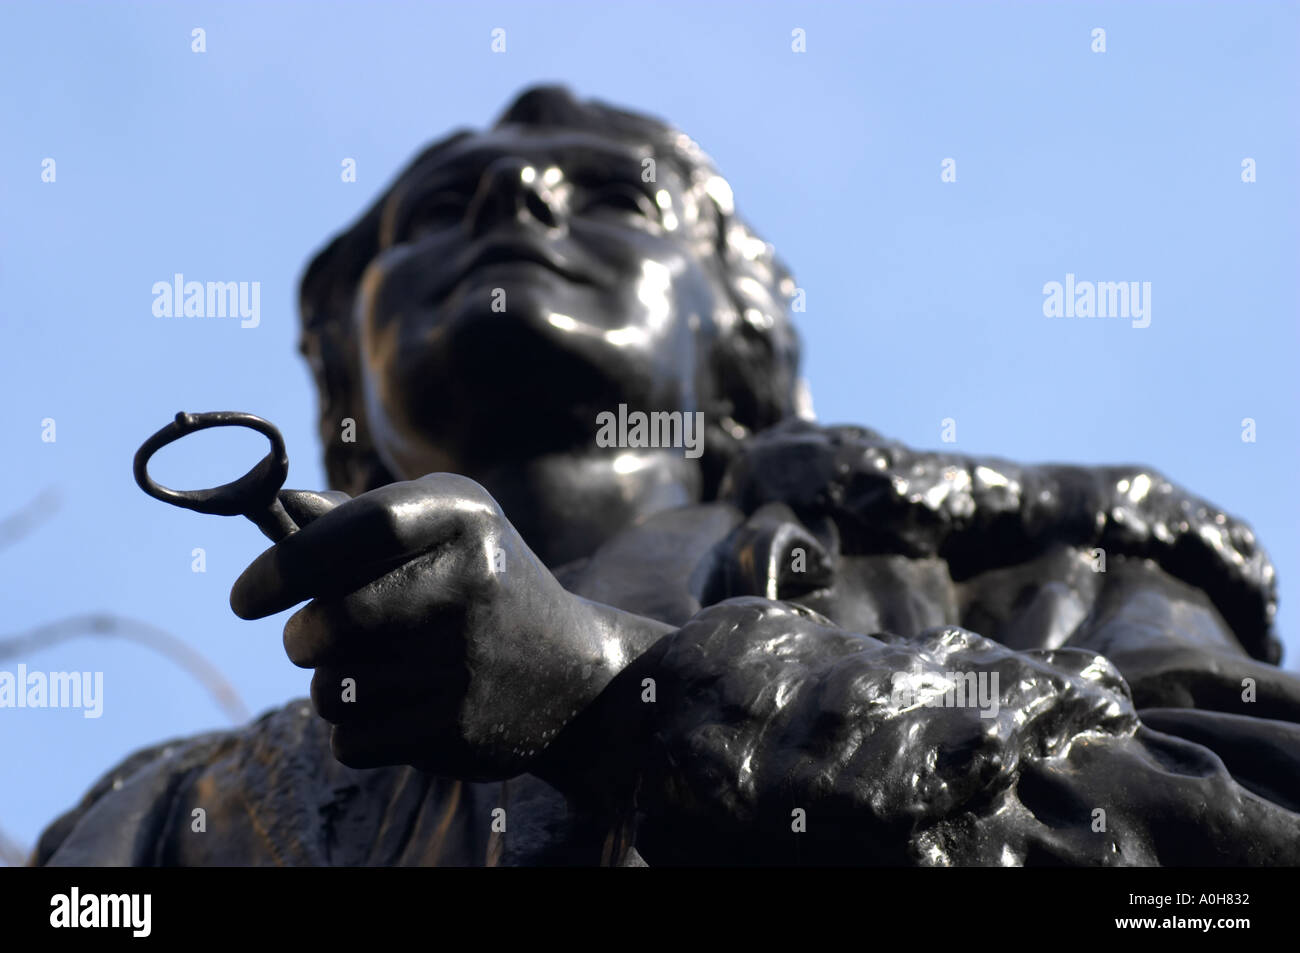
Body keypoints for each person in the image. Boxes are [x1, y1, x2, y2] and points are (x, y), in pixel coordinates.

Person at [35, 86, 1300, 866]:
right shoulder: (150, 826)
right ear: (340, 389)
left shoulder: (1043, 580)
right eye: (438, 210)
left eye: (611, 194)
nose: (520, 199)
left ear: (743, 337)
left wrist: (623, 699)